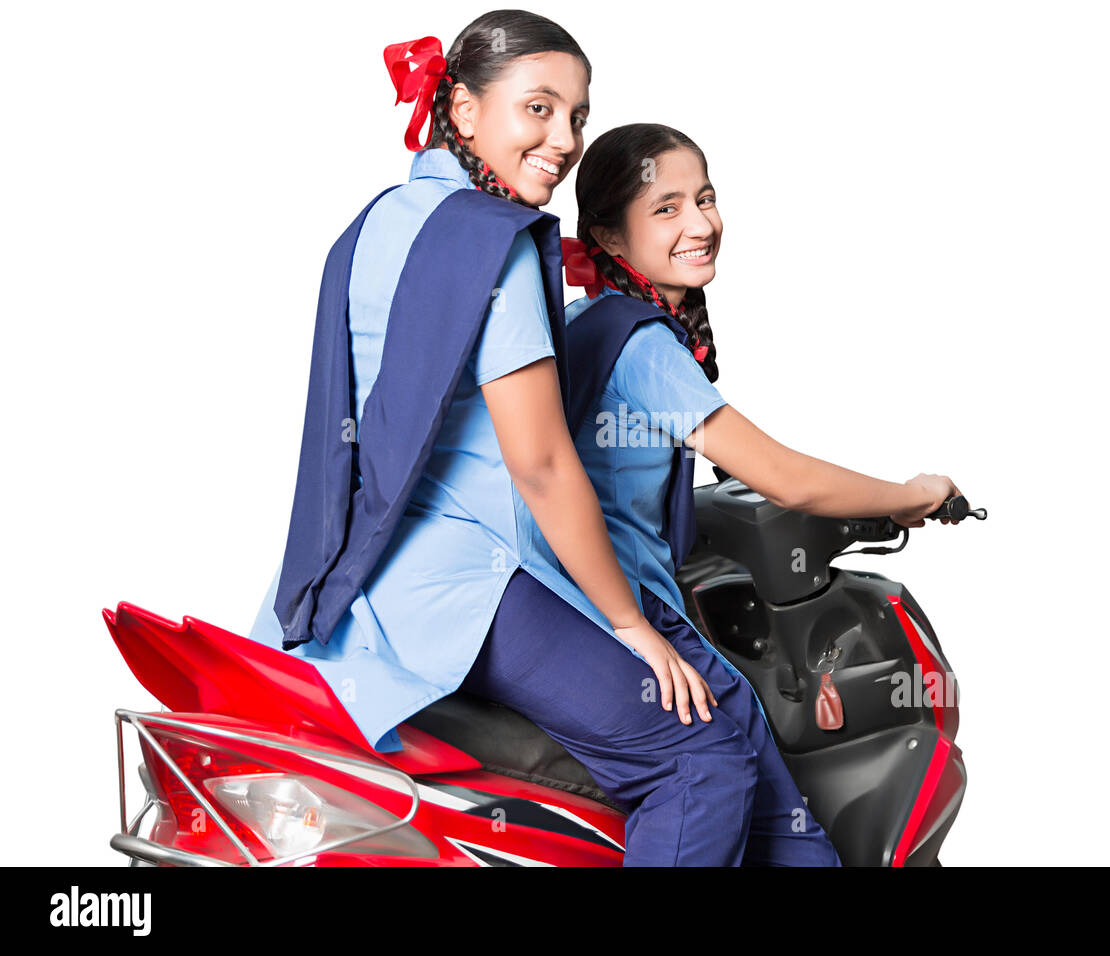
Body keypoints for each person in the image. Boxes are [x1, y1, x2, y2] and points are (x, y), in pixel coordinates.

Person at [246, 12, 771, 867]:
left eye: (577, 116)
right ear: (461, 108)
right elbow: (541, 461)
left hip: (340, 580)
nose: (562, 140)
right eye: (538, 109)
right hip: (466, 586)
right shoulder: (500, 242)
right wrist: (629, 624)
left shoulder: (373, 225)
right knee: (700, 754)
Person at [526, 122, 965, 865]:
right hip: (630, 608)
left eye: (705, 199)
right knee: (781, 829)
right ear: (608, 234)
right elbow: (783, 476)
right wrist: (905, 495)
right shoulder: (644, 346)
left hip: (557, 604)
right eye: (666, 208)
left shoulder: (583, 326)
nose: (701, 224)